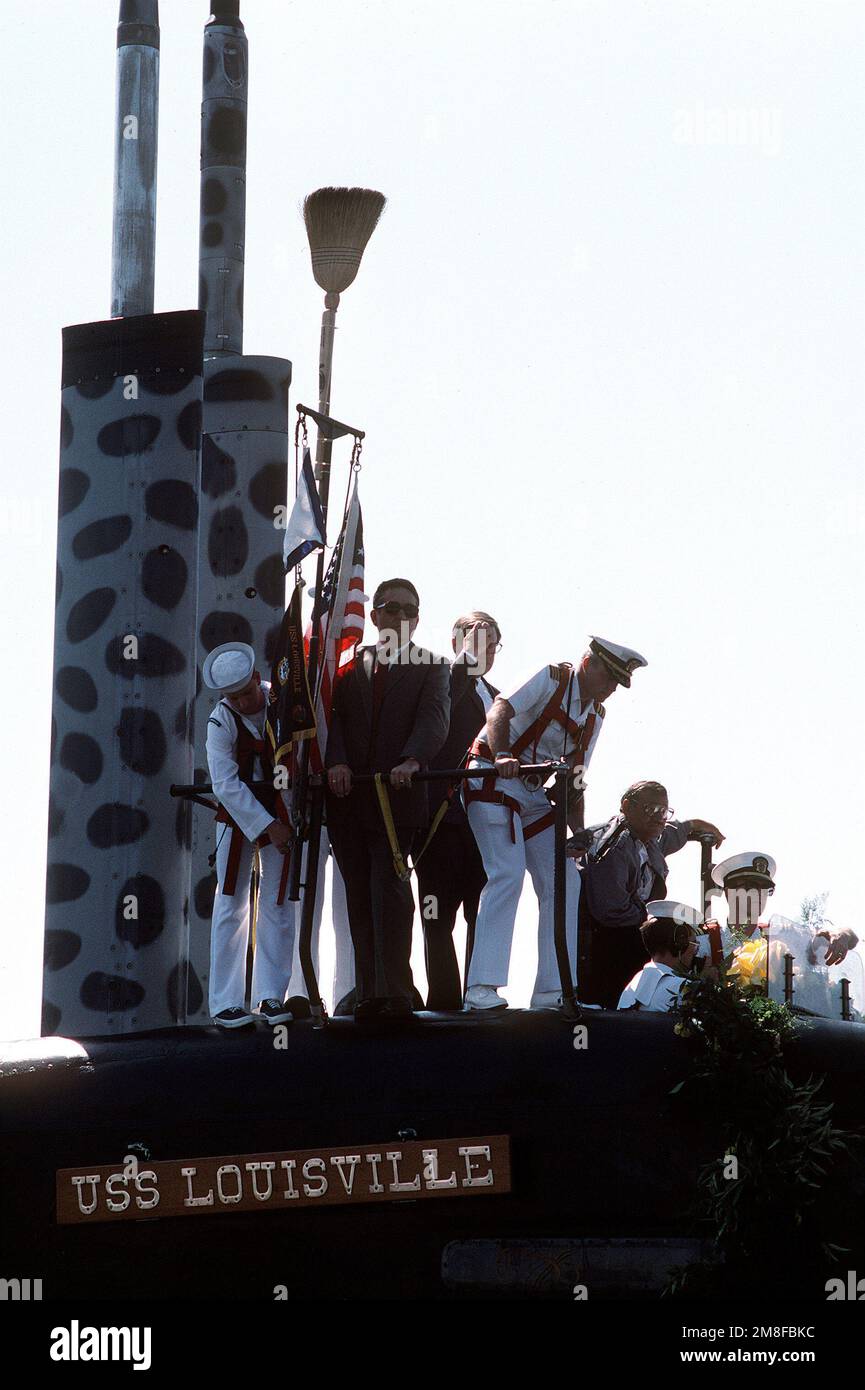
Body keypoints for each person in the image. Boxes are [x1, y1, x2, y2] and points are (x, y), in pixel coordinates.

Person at [464, 635, 647, 1011]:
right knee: (507, 873)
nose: (611, 688)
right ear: (588, 663)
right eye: (609, 677)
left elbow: (575, 778)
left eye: (617, 683)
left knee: (566, 878)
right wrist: (501, 754)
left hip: (531, 794)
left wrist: (578, 831)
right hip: (490, 776)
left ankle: (552, 989)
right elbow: (500, 709)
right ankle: (481, 988)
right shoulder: (550, 679)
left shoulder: (595, 716)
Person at [325, 578, 450, 1019]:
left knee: (390, 892)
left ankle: (395, 991)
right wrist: (336, 761)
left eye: (409, 611)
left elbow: (434, 719)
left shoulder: (432, 667)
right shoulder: (346, 668)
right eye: (391, 608)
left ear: (417, 621)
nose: (400, 617)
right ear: (374, 615)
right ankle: (367, 991)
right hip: (350, 797)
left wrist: (412, 760)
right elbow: (334, 722)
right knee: (358, 895)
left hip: (396, 799)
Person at [203, 642, 295, 1029]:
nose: (242, 702)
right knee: (231, 904)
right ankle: (225, 1002)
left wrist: (287, 819)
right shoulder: (220, 721)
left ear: (258, 679)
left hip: (283, 811)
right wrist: (264, 825)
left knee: (278, 903)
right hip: (238, 818)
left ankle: (271, 995)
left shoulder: (285, 705)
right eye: (233, 697)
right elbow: (225, 784)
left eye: (246, 693)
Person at [415, 612, 501, 1010]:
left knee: (480, 915)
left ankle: (478, 994)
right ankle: (444, 1000)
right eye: (478, 641)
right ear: (458, 644)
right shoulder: (440, 680)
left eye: (492, 644)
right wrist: (468, 653)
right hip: (442, 818)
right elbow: (444, 709)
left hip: (485, 822)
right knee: (438, 915)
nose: (487, 651)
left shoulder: (501, 699)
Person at [581, 780, 723, 1009]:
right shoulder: (612, 846)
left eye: (664, 811)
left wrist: (694, 825)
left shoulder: (647, 836)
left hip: (632, 934)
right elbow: (611, 911)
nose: (660, 817)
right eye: (651, 809)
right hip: (610, 944)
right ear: (627, 806)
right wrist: (655, 925)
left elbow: (669, 835)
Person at [708, 852, 861, 1017]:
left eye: (764, 888)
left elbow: (850, 938)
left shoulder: (781, 936)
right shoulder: (705, 942)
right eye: (749, 886)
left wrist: (841, 934)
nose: (758, 893)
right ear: (728, 891)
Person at [618, 901, 703, 1011]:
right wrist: (707, 983)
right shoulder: (683, 988)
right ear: (679, 943)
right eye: (694, 944)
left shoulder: (634, 984)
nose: (696, 951)